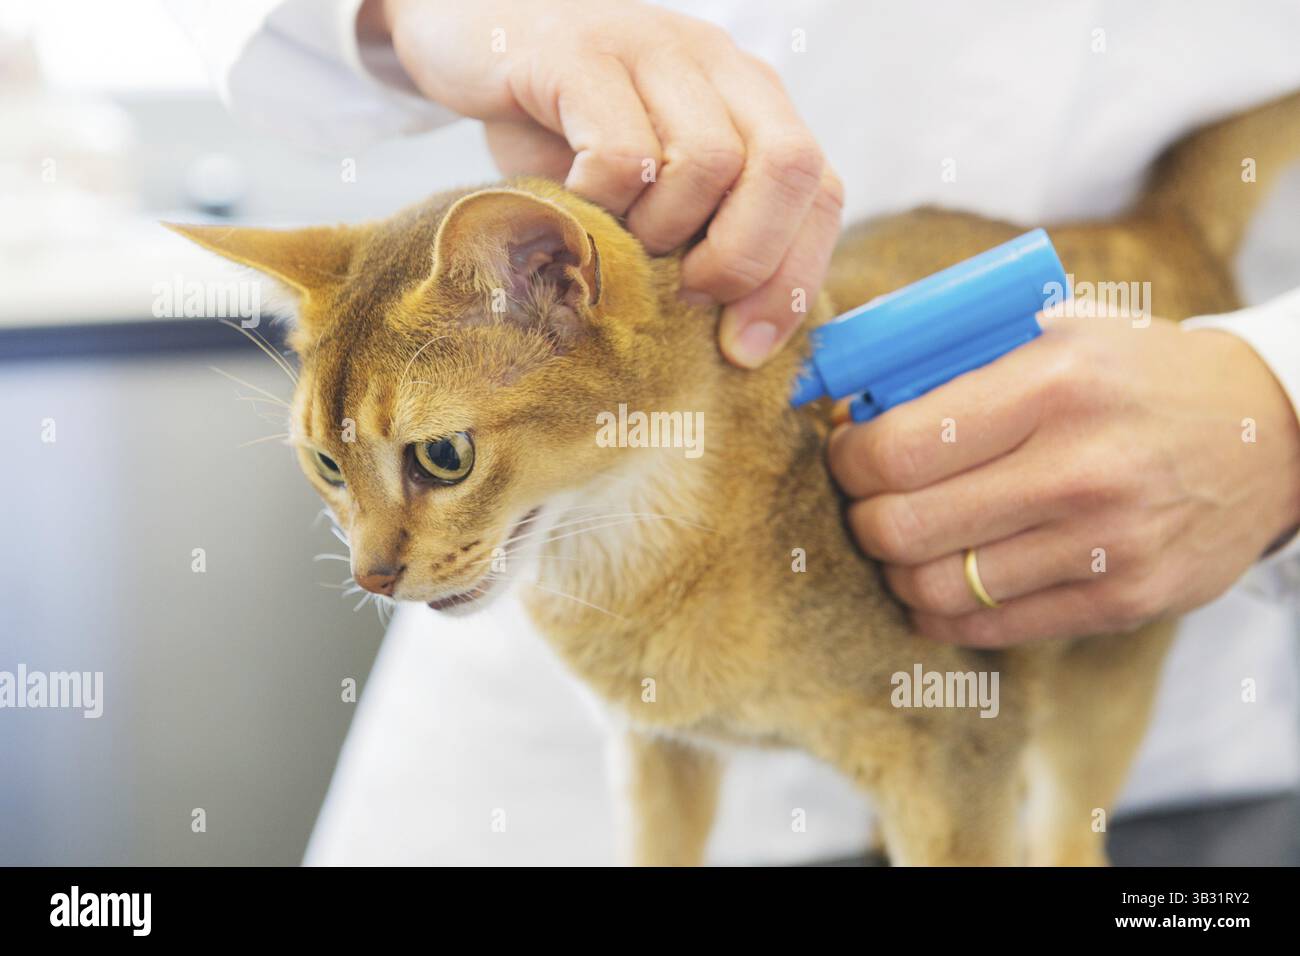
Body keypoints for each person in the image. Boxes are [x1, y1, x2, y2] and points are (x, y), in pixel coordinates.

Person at [172, 0, 1300, 864]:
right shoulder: (482, 422)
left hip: (1181, 749)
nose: (370, 564)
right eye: (328, 468)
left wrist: (1283, 403)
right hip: (522, 781)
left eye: (437, 460)